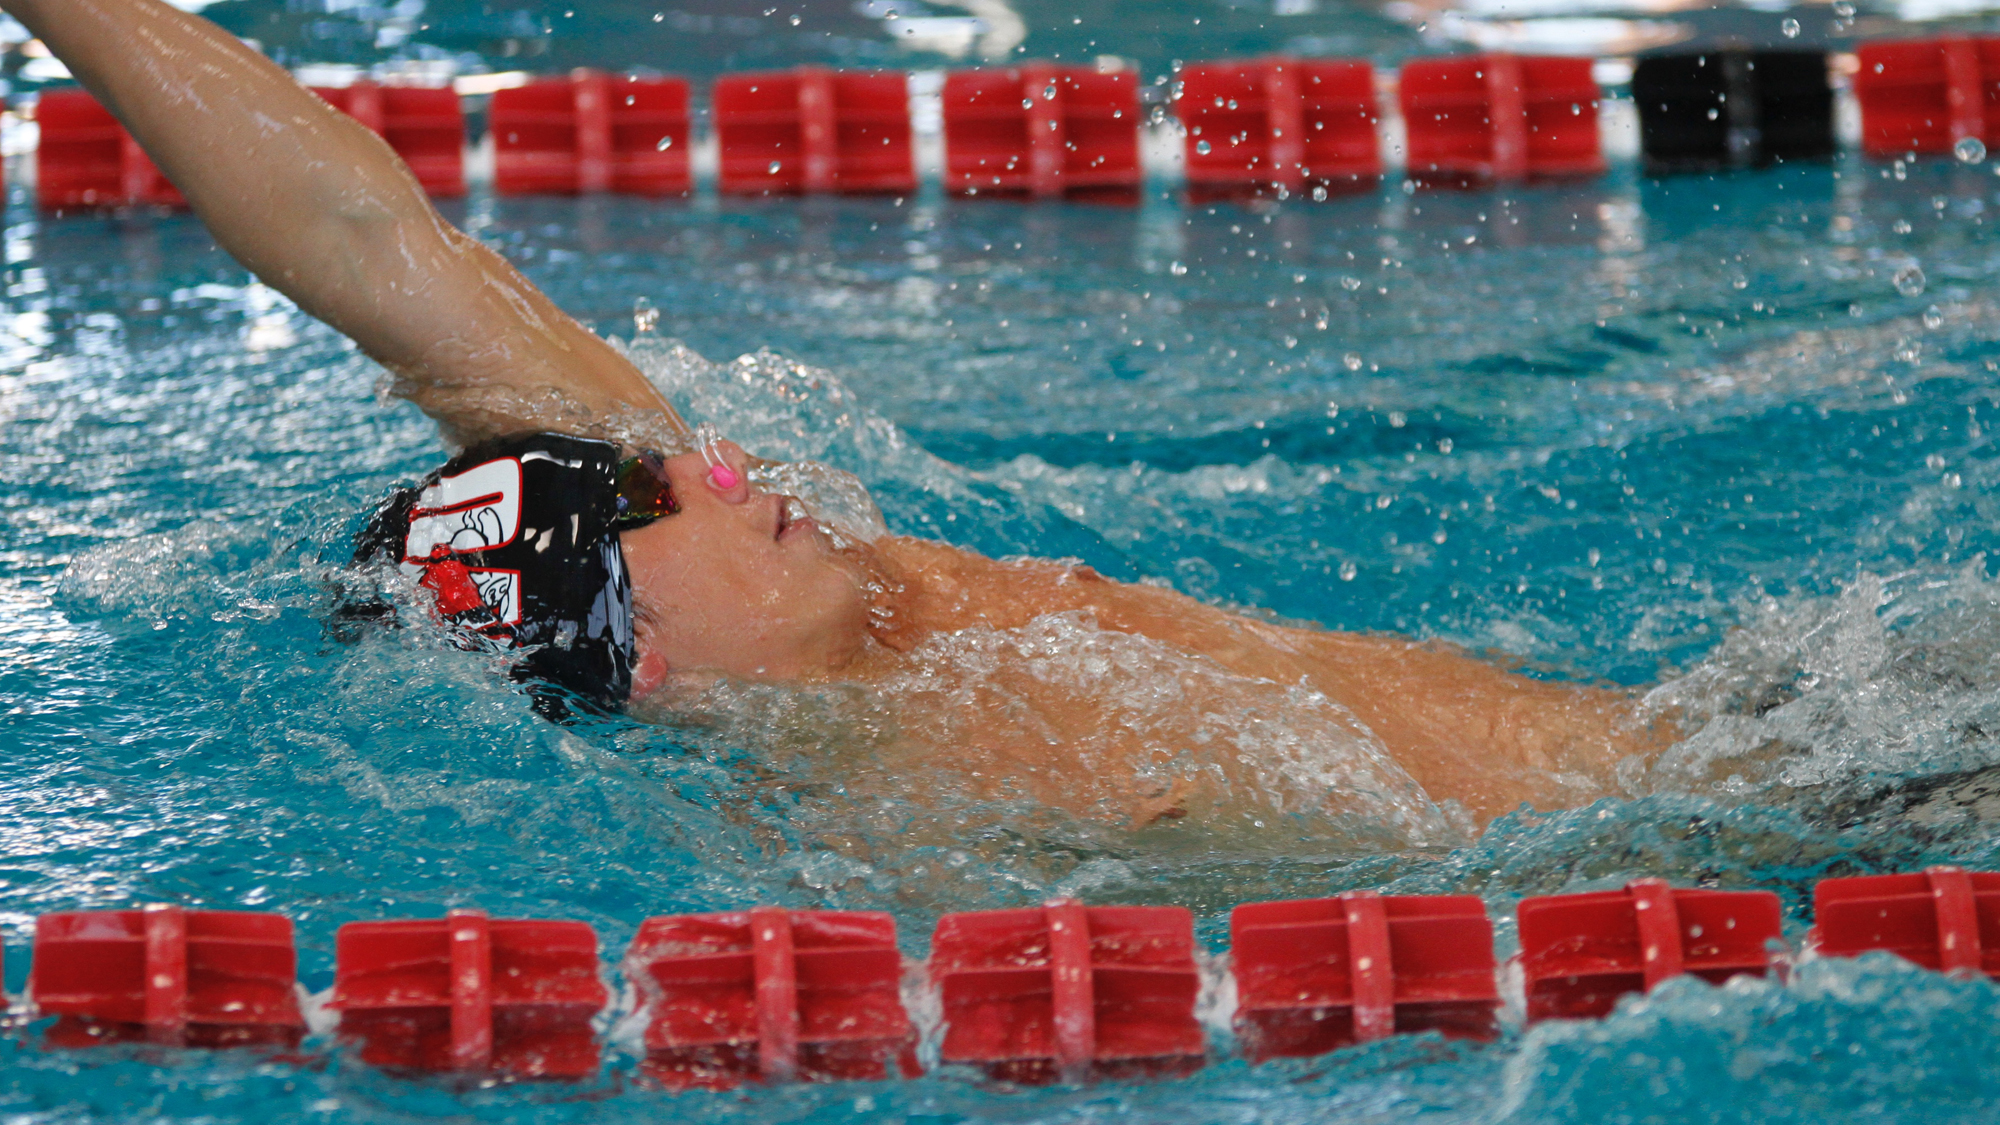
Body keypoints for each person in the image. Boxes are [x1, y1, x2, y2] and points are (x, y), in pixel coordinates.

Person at [10, 0, 1669, 836]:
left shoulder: (845, 598)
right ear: (634, 654)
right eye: (657, 495)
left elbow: (368, 242)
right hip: (1705, 826)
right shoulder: (886, 830)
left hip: (1659, 734)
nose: (707, 459)